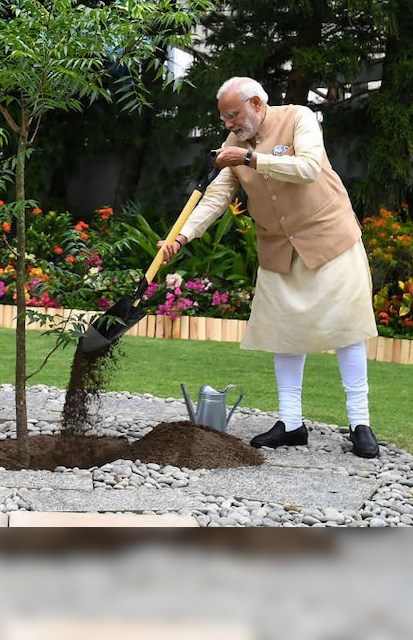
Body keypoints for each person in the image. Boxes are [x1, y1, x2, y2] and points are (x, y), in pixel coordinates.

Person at [159, 77, 380, 459]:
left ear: (257, 104)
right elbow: (215, 198)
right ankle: (291, 423)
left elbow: (309, 168)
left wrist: (250, 158)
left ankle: (360, 422)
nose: (229, 124)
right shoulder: (232, 144)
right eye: (224, 117)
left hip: (330, 238)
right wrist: (182, 238)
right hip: (277, 247)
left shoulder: (300, 118)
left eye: (234, 115)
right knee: (284, 333)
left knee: (347, 328)